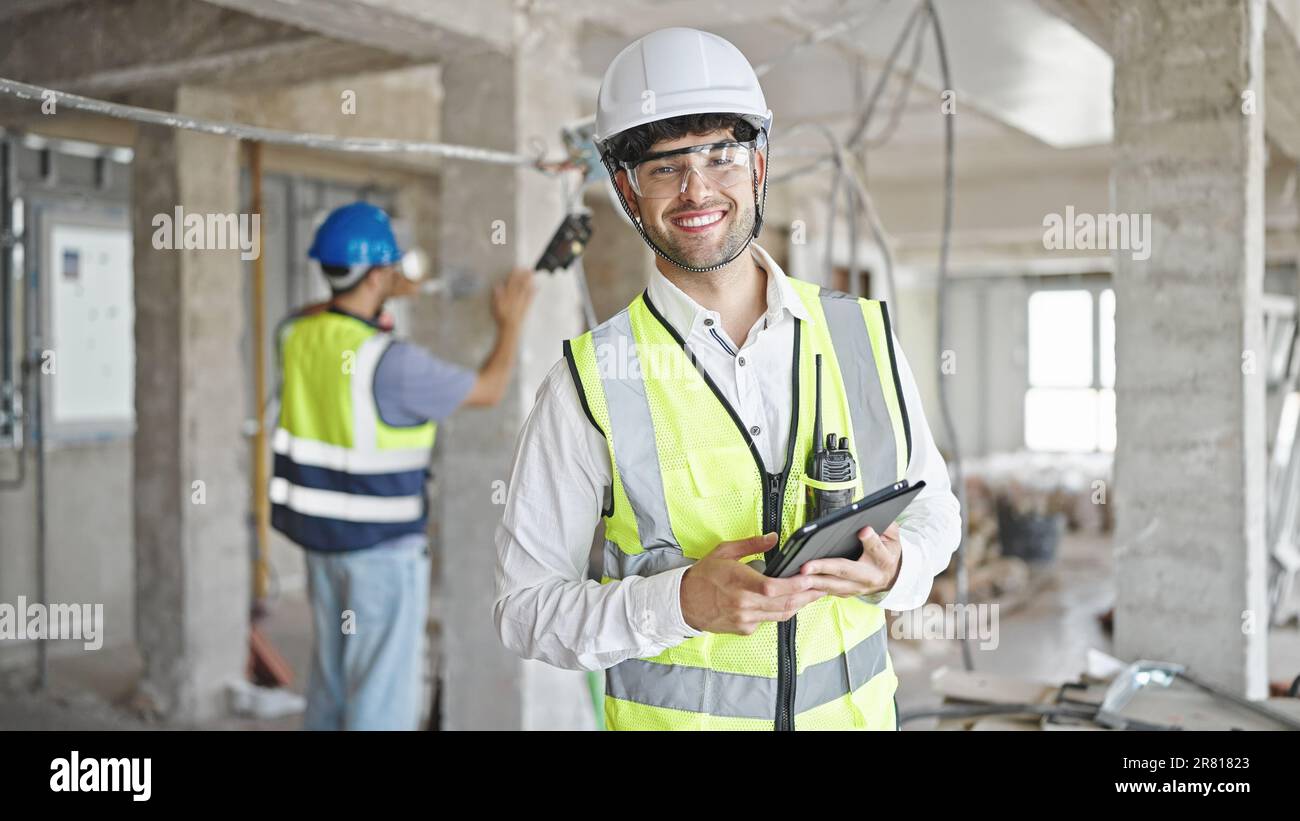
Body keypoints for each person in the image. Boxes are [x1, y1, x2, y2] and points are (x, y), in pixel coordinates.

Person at [494, 28, 961, 730]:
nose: (696, 188)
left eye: (720, 154)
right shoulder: (587, 383)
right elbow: (524, 610)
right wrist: (677, 602)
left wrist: (897, 569)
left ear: (759, 163)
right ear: (625, 187)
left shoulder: (863, 336)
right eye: (662, 166)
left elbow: (937, 512)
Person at [272, 201, 534, 729]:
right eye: (391, 268)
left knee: (332, 678)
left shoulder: (295, 335)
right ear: (377, 273)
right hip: (381, 555)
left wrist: (383, 292)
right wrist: (511, 325)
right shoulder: (392, 362)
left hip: (321, 542)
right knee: (380, 695)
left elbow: (315, 314)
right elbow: (489, 390)